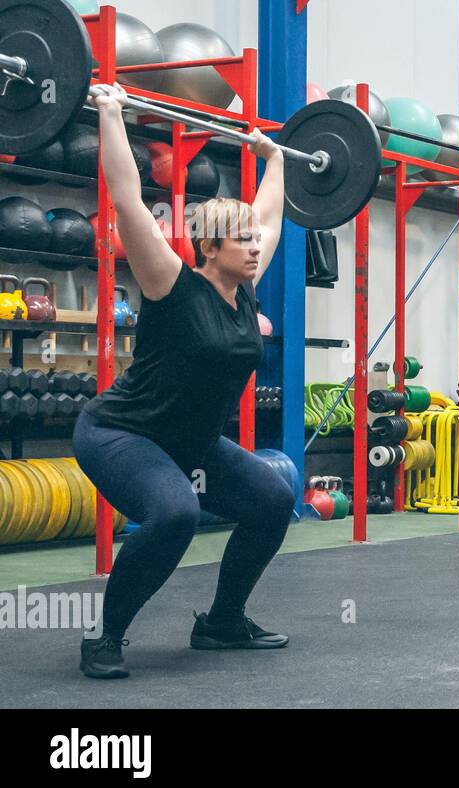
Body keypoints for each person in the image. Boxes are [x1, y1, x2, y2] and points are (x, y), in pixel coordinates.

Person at [74, 84, 295, 679]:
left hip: (189, 442)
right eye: (242, 240)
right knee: (173, 514)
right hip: (122, 433)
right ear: (209, 246)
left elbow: (271, 214)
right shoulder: (169, 283)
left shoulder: (243, 292)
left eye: (254, 240)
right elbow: (125, 197)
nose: (255, 247)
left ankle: (222, 621)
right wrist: (114, 114)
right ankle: (105, 636)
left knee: (273, 498)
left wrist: (273, 158)